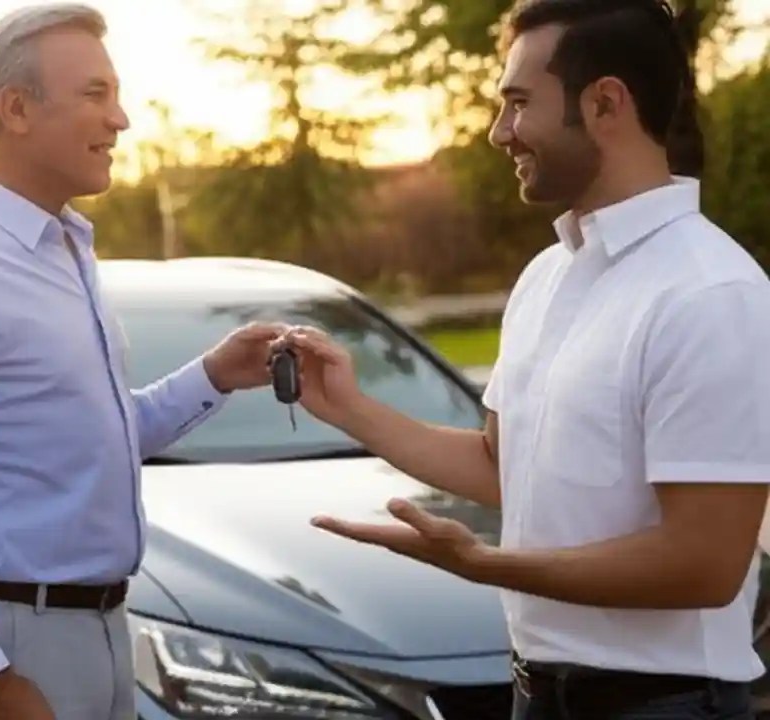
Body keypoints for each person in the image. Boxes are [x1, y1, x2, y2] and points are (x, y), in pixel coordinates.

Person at [277, 0, 770, 718]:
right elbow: (500, 465)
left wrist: (485, 566)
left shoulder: (711, 293)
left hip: (664, 706)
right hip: (535, 696)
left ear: (606, 102)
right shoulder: (548, 275)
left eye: (516, 103)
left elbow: (704, 562)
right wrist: (350, 408)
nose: (497, 132)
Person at [0, 5, 285, 720]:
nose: (121, 120)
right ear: (16, 108)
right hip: (14, 650)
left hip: (109, 635)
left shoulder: (68, 252)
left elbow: (94, 438)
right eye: (95, 95)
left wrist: (213, 375)